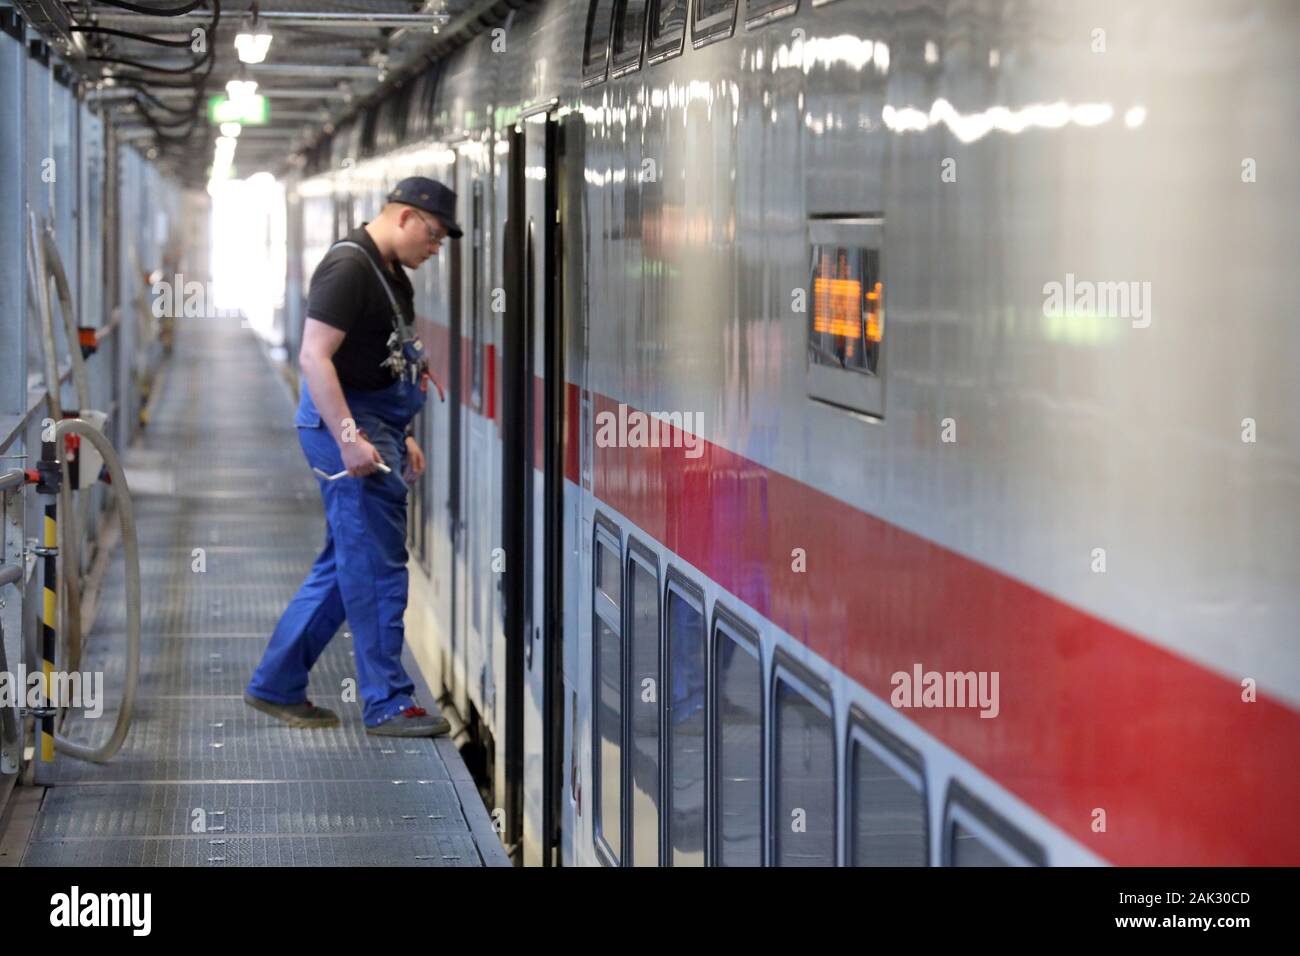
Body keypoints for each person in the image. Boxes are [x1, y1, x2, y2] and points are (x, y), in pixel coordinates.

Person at [244, 177, 462, 737]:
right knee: (376, 566)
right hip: (345, 428)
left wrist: (398, 430)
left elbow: (380, 357)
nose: (435, 249)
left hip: (372, 424)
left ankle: (277, 682)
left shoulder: (389, 273)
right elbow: (316, 358)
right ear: (407, 218)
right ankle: (387, 702)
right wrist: (348, 437)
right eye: (434, 235)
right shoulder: (349, 268)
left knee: (346, 565)